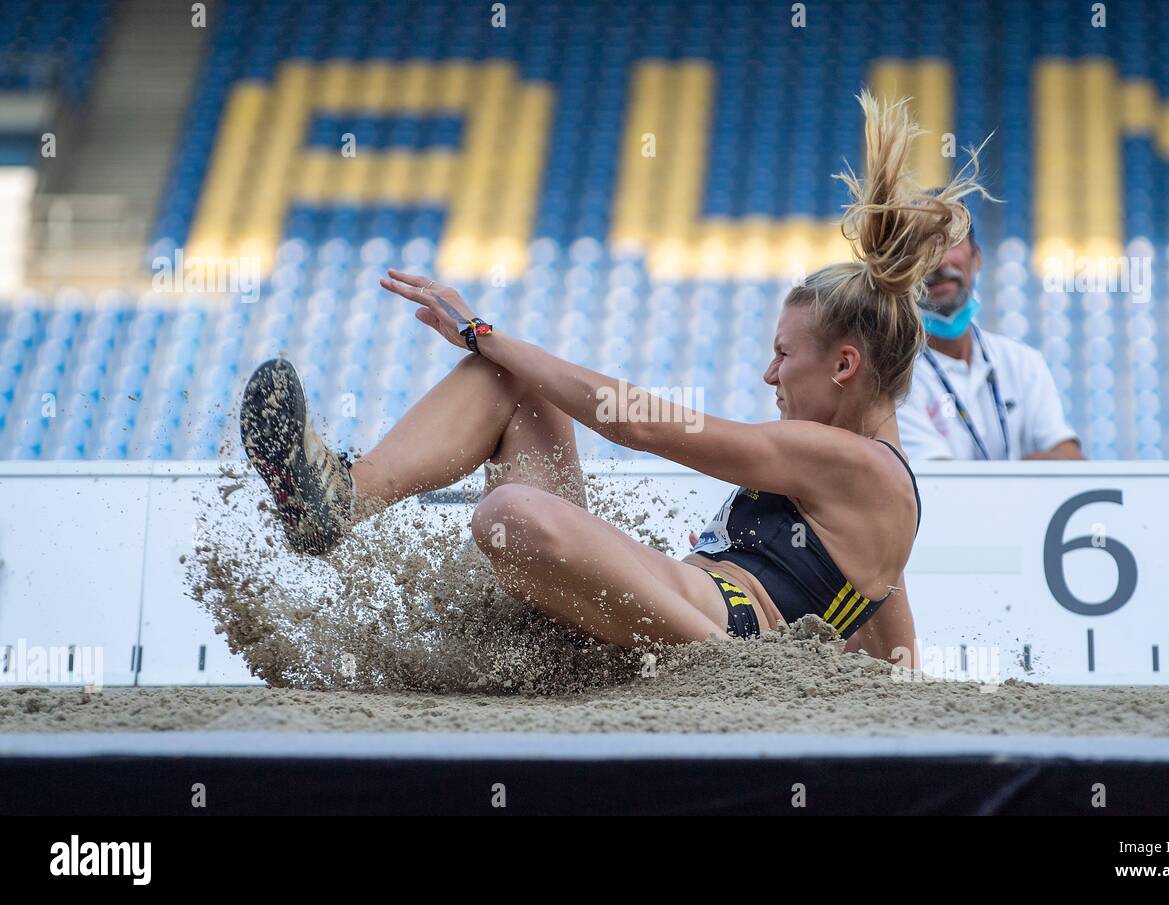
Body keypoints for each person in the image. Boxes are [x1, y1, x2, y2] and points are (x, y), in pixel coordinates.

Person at [237, 93, 984, 663]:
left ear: (845, 365)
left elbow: (638, 422)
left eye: (785, 355)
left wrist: (481, 329)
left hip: (693, 637)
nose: (769, 374)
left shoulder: (860, 469)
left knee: (511, 513)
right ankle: (339, 502)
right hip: (633, 604)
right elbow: (895, 657)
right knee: (510, 385)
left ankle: (719, 668)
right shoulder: (878, 500)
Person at [896, 220, 1085, 460]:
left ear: (976, 258)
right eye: (923, 248)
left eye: (950, 243)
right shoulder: (895, 377)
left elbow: (1071, 459)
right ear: (903, 269)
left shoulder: (1023, 362)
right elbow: (941, 485)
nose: (940, 262)